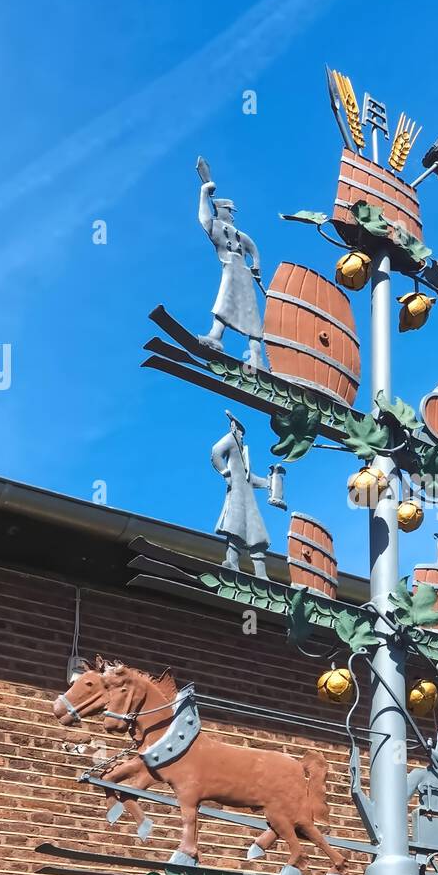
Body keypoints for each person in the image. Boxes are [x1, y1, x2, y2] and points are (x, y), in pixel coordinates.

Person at [198, 178, 265, 366]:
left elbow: (252, 247)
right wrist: (204, 193)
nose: (233, 216)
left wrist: (256, 264)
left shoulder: (239, 234)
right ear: (222, 210)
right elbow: (204, 218)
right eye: (230, 211)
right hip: (230, 268)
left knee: (251, 314)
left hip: (243, 273)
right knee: (224, 303)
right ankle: (216, 336)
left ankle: (256, 357)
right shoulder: (216, 226)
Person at [211, 412, 272, 577]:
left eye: (242, 433)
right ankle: (232, 563)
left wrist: (268, 483)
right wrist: (225, 472)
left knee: (256, 532)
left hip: (249, 499)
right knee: (235, 527)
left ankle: (261, 573)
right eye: (240, 431)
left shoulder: (243, 452)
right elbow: (216, 452)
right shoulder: (230, 440)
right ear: (233, 428)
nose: (241, 435)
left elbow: (249, 477)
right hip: (237, 494)